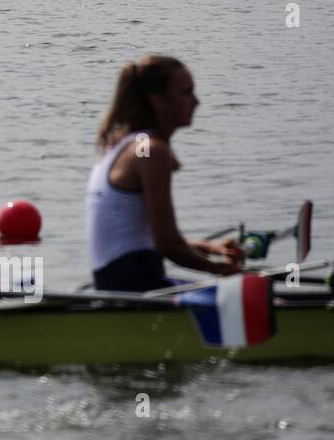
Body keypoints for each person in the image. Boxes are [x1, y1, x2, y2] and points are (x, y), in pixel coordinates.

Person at [85, 56, 244, 292]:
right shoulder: (150, 151)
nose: (196, 102)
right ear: (157, 101)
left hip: (119, 284)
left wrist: (210, 248)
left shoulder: (122, 145)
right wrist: (218, 269)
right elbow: (167, 245)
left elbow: (141, 240)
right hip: (137, 290)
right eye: (186, 92)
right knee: (263, 304)